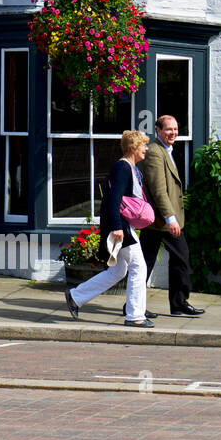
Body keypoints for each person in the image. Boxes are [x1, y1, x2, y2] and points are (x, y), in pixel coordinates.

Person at [64, 130, 154, 327]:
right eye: (143, 145)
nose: (146, 149)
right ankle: (135, 316)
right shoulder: (123, 167)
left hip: (121, 226)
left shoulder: (129, 167)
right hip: (120, 227)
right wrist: (117, 227)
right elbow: (113, 199)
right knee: (139, 266)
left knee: (118, 271)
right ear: (133, 147)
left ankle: (75, 297)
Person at [139, 114, 204, 316]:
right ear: (158, 130)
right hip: (161, 221)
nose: (173, 133)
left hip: (161, 221)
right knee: (172, 259)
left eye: (175, 129)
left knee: (151, 262)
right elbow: (159, 190)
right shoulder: (155, 152)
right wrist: (170, 218)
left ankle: (176, 304)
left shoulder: (166, 150)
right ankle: (174, 304)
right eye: (168, 129)